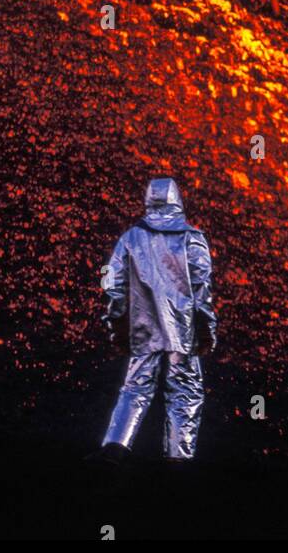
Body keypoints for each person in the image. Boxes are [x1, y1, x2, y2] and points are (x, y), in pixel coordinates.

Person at [93, 177, 217, 464]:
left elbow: (113, 282)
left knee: (134, 387)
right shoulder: (192, 238)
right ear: (178, 201)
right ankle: (178, 457)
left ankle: (115, 448)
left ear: (148, 201)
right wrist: (206, 329)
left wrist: (116, 322)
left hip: (143, 326)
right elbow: (202, 288)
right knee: (185, 392)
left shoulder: (131, 237)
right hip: (182, 330)